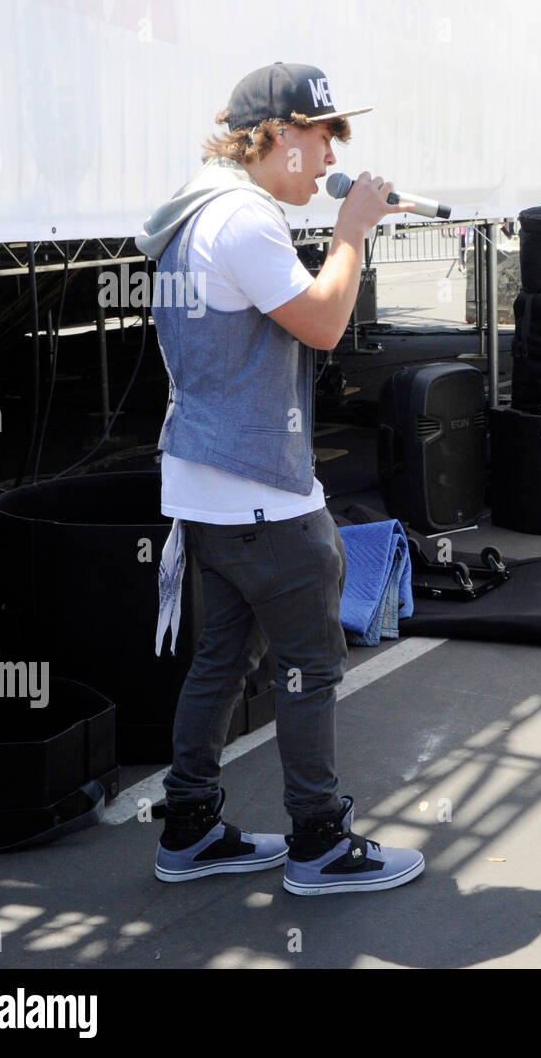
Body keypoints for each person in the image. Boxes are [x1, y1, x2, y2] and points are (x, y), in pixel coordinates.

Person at [136, 62, 425, 896]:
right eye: (322, 130)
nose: (334, 146)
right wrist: (352, 231)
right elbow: (328, 324)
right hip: (261, 490)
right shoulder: (243, 223)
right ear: (274, 135)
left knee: (220, 660)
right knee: (311, 664)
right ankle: (320, 843)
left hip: (204, 485)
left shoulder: (195, 213)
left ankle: (188, 828)